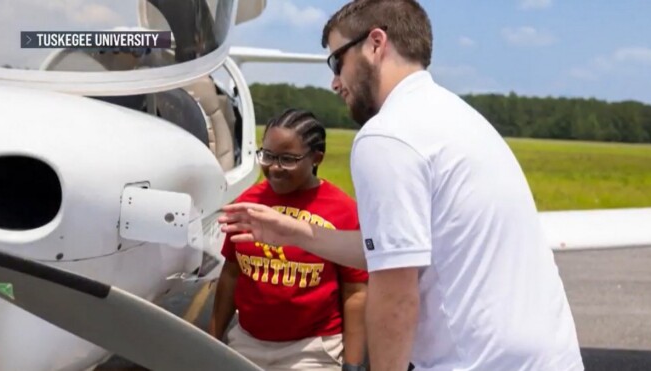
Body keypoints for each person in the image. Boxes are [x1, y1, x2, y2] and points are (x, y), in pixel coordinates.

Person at [218, 1, 584, 370]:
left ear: (376, 44)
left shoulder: (387, 136)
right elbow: (398, 247)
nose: (334, 82)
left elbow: (395, 292)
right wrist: (299, 233)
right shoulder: (453, 115)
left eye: (337, 61)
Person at [209, 108, 369, 371]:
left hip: (313, 350)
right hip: (247, 343)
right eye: (268, 155)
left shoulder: (343, 210)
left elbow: (355, 291)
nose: (274, 167)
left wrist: (352, 362)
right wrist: (211, 340)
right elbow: (231, 273)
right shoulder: (250, 201)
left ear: (317, 157)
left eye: (288, 159)